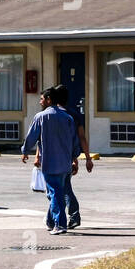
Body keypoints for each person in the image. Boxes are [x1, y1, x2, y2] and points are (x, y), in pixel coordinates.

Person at [22, 86, 81, 234]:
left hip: (50, 163)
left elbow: (31, 137)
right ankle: (50, 221)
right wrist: (74, 158)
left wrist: (25, 151)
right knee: (58, 192)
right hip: (65, 163)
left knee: (54, 193)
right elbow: (75, 141)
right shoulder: (67, 118)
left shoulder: (40, 117)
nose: (40, 101)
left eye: (42, 99)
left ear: (49, 100)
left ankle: (60, 224)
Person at [52, 84, 91, 229]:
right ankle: (56, 217)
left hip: (56, 157)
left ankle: (71, 216)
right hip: (68, 156)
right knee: (61, 188)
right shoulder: (74, 114)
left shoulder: (52, 114)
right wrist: (87, 159)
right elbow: (81, 138)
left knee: (62, 188)